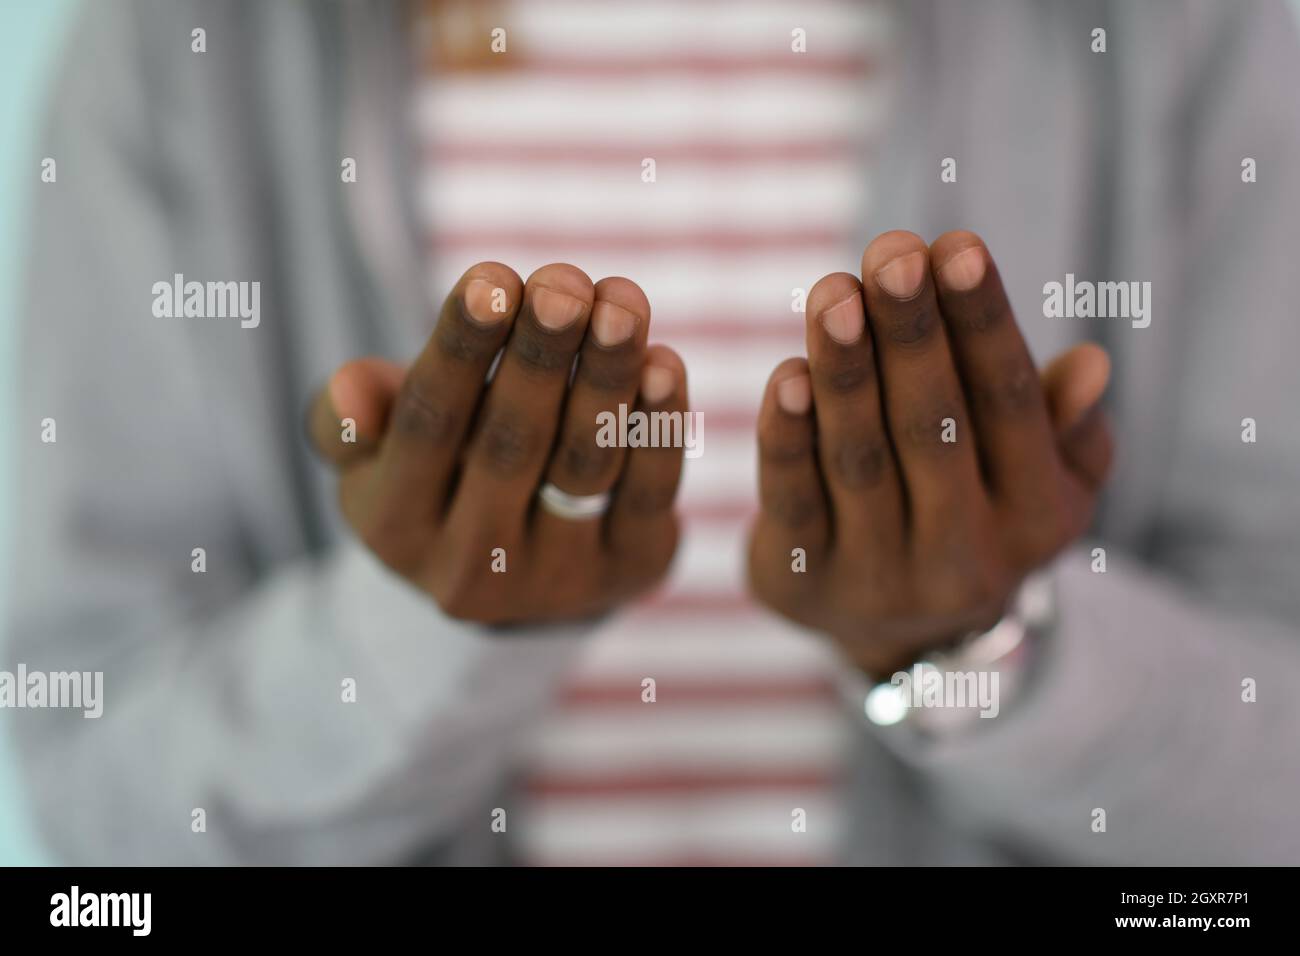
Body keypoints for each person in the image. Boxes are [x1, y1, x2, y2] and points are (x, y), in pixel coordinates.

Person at [7, 0, 1300, 865]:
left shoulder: (1183, 33)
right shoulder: (183, 48)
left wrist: (981, 654)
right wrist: (412, 638)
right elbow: (94, 801)